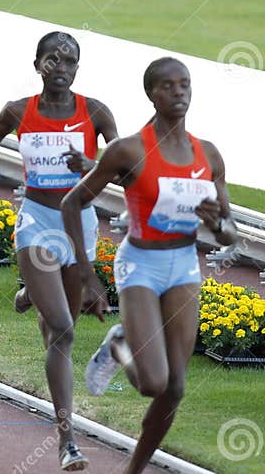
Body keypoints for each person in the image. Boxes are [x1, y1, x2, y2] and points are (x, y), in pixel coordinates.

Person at [62, 57, 235, 474]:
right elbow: (73, 203)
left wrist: (218, 224)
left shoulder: (208, 154)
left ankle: (133, 469)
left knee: (174, 388)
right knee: (152, 382)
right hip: (140, 263)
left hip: (183, 264)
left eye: (184, 84)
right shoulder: (128, 150)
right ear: (151, 94)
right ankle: (119, 345)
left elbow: (230, 233)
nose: (179, 92)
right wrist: (87, 277)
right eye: (168, 86)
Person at [0, 31, 117, 471]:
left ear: (78, 68)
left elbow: (127, 166)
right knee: (63, 332)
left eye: (69, 61)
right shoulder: (19, 110)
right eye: (52, 60)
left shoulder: (95, 112)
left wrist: (93, 167)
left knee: (61, 329)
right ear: (38, 65)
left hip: (80, 226)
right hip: (37, 222)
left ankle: (32, 293)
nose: (61, 68)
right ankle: (67, 441)